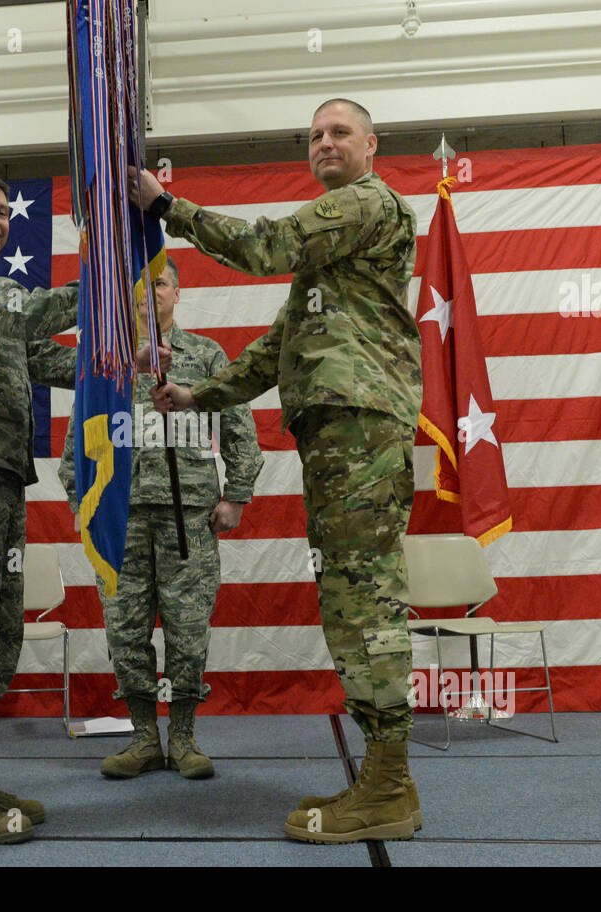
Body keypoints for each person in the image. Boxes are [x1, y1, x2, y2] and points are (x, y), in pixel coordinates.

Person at [140, 99, 425, 843]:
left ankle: (390, 786)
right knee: (350, 596)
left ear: (371, 145)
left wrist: (169, 207)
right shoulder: (332, 262)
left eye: (339, 132)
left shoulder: (368, 203)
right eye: (315, 136)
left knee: (366, 601)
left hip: (361, 428)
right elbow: (274, 352)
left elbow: (266, 245)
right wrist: (198, 394)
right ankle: (383, 777)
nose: (325, 143)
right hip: (340, 434)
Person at [0, 173, 169, 845]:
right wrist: (106, 290)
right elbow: (28, 316)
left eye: (1, 211)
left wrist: (122, 359)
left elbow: (46, 360)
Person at [59, 257, 263, 781]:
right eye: (140, 288)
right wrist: (85, 504)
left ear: (178, 293)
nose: (151, 295)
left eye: (162, 284)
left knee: (188, 630)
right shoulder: (105, 360)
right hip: (119, 520)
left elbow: (238, 427)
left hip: (189, 519)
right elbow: (78, 441)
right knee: (125, 632)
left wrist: (235, 496)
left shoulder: (206, 354)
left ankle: (185, 738)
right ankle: (145, 738)